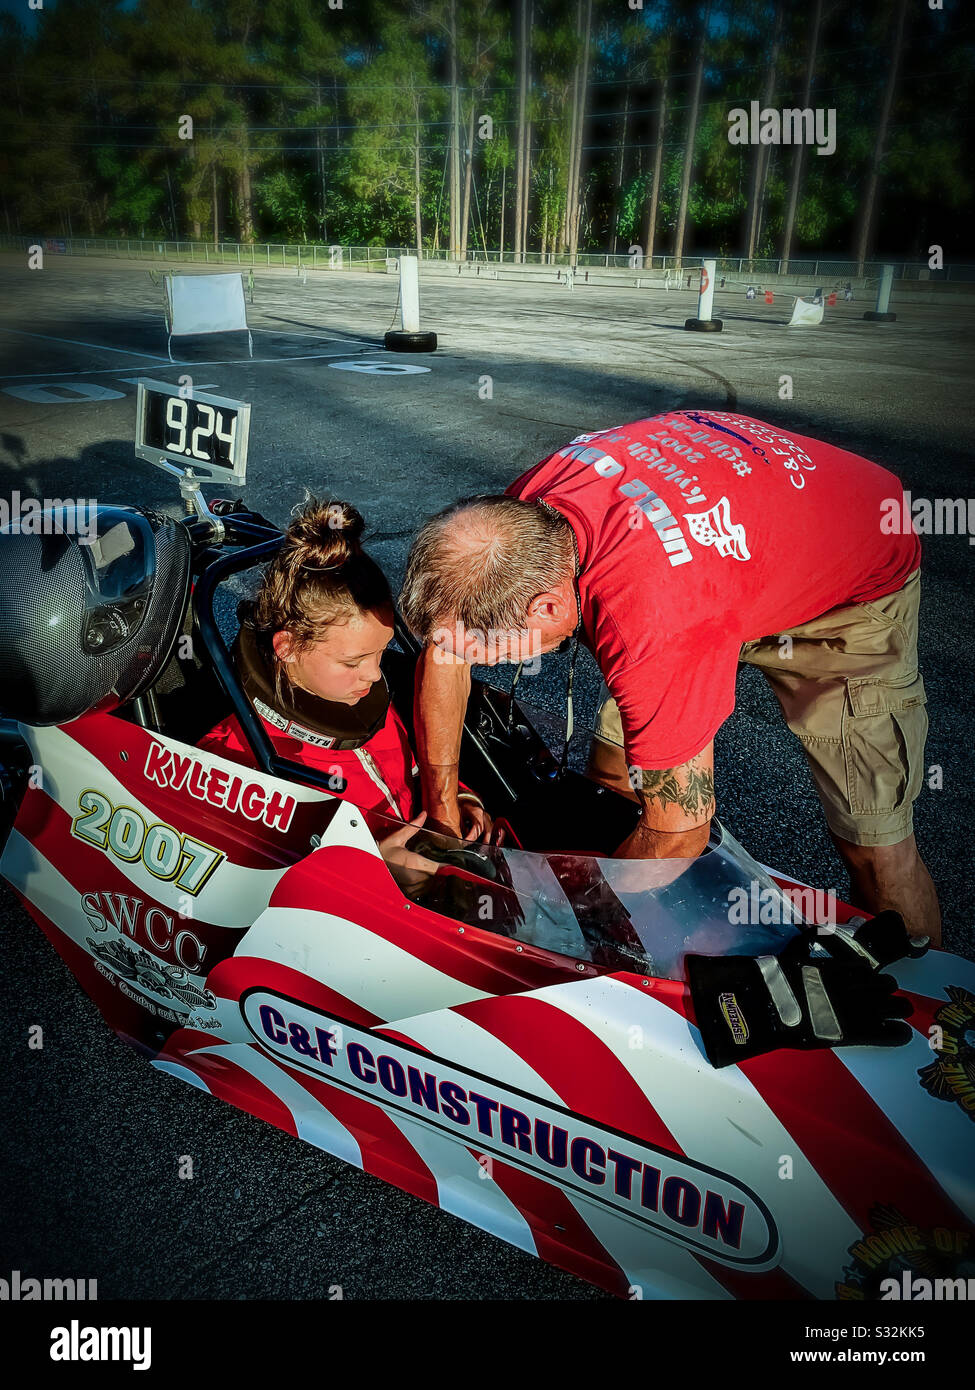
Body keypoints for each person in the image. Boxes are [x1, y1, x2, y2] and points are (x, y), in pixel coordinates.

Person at [398, 410, 940, 945]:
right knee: (613, 785)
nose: (483, 661)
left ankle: (933, 1005)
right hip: (722, 561)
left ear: (545, 608)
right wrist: (441, 808)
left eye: (493, 651)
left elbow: (680, 831)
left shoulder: (650, 627)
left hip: (848, 585)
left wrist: (564, 923)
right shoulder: (506, 528)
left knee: (874, 844)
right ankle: (645, 926)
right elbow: (447, 652)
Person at [199, 497, 487, 893]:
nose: (373, 674)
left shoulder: (363, 701)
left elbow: (416, 767)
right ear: (288, 647)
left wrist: (461, 799)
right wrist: (370, 874)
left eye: (381, 652)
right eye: (353, 662)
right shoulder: (232, 762)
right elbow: (238, 894)